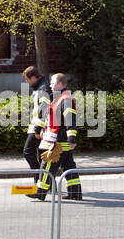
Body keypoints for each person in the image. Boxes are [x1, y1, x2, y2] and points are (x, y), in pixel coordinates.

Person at [33, 72, 83, 201]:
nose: (50, 85)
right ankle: (75, 192)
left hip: (61, 141)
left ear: (60, 84)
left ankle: (40, 192)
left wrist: (71, 138)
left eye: (52, 82)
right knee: (68, 165)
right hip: (60, 139)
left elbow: (70, 120)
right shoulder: (58, 98)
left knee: (48, 162)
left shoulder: (65, 100)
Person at [20, 66, 52, 185]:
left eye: (28, 80)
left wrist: (38, 129)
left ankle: (40, 180)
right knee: (40, 155)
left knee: (28, 152)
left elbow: (44, 108)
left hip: (39, 128)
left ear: (33, 77)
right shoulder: (39, 87)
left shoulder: (43, 88)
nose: (27, 82)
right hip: (38, 127)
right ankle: (44, 183)